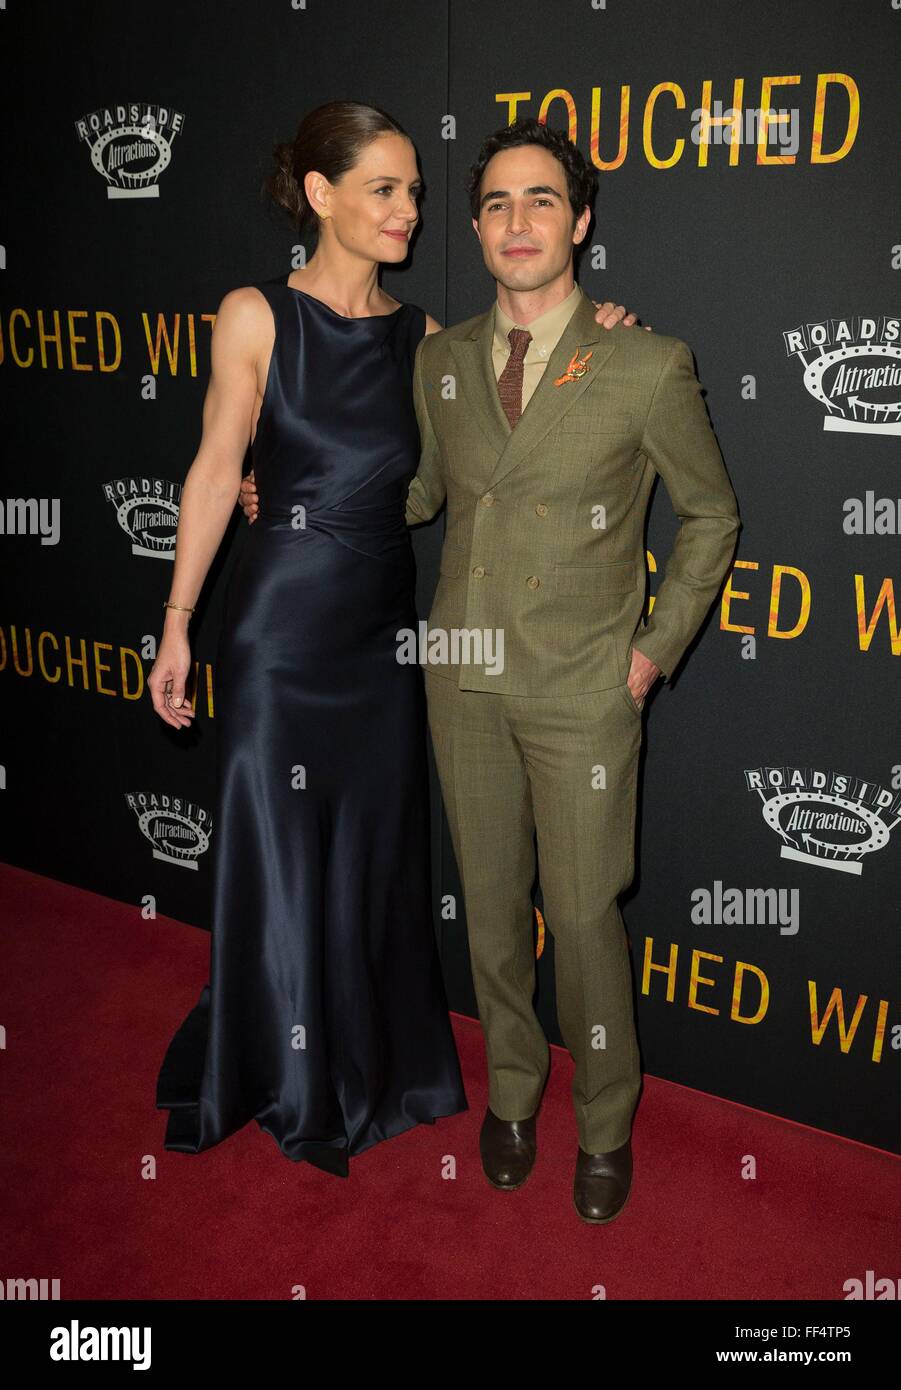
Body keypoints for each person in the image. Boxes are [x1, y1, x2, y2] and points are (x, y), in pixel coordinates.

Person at [243, 115, 740, 1222]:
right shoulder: (440, 358)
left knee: (587, 920)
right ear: (472, 228)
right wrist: (297, 492)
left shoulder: (644, 362)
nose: (519, 222)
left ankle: (604, 1121)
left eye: (542, 200)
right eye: (497, 204)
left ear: (581, 222)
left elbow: (711, 516)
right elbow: (418, 492)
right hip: (461, 679)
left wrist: (650, 653)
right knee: (492, 913)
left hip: (583, 692)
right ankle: (512, 1095)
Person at [149, 101, 640, 1179]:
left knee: (371, 856)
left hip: (382, 644)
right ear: (319, 194)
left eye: (415, 190)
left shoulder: (424, 341)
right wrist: (177, 621)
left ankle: (371, 1062)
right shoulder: (255, 315)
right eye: (384, 189)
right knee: (283, 848)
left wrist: (599, 338)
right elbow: (215, 467)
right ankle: (284, 1072)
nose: (408, 209)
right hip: (280, 636)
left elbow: (486, 441)